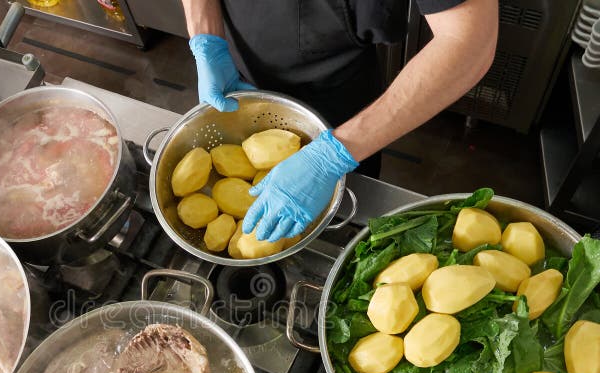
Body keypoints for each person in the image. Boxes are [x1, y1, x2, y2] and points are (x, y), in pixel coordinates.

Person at [180, 0, 498, 242]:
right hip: (238, 62)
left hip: (338, 96)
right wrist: (206, 39)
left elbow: (469, 40)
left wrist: (333, 156)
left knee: (340, 219)